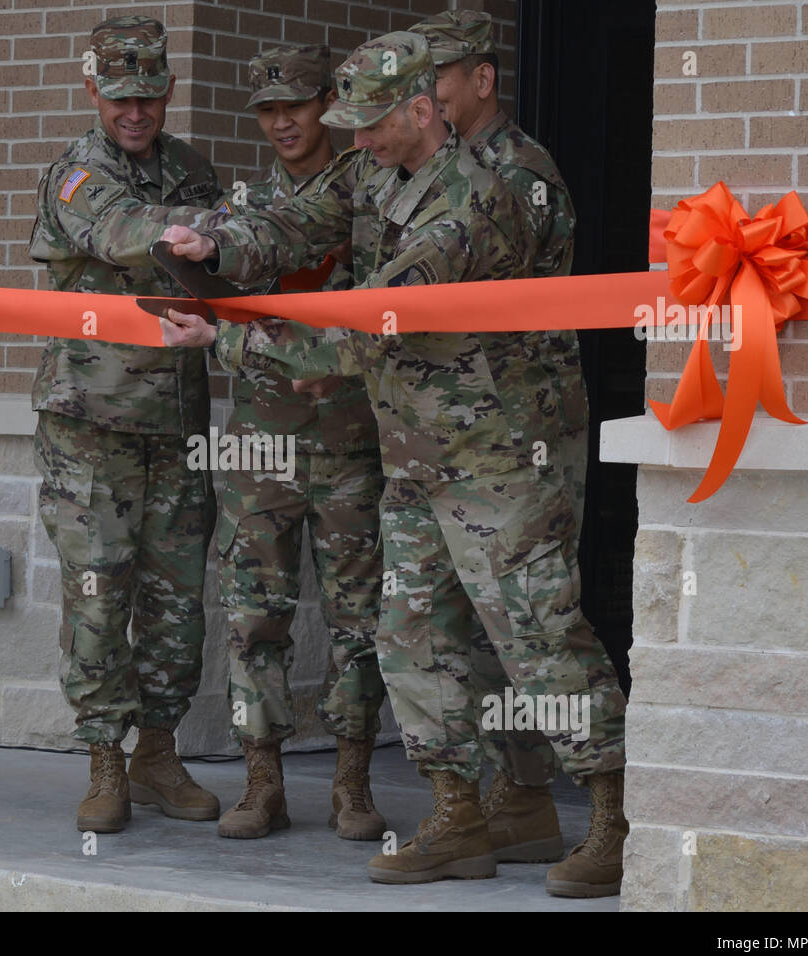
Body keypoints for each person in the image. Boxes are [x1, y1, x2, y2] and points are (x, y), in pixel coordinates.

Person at [157, 31, 630, 898]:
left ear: (424, 110)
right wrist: (212, 248)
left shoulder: (474, 205)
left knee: (536, 636)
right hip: (413, 451)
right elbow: (301, 217)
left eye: (373, 123)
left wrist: (224, 336)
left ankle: (612, 816)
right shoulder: (381, 173)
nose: (360, 140)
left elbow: (368, 329)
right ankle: (457, 816)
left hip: (498, 458)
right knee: (414, 637)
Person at [27, 14, 224, 834]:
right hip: (92, 421)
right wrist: (200, 233)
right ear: (92, 92)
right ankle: (105, 757)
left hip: (176, 420)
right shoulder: (77, 173)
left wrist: (215, 231)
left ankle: (156, 752)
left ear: (168, 90)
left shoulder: (190, 167)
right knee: (100, 595)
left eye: (148, 95)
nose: (134, 111)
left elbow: (224, 262)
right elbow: (121, 234)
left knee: (177, 600)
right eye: (119, 97)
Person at [409, 8, 588, 868]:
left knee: (533, 626)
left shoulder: (517, 174)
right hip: (450, 437)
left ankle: (605, 817)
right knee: (462, 631)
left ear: (481, 79)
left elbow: (441, 273)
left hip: (521, 434)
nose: (425, 95)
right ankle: (511, 803)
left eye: (437, 77)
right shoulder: (431, 170)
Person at [212, 43, 388, 842]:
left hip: (349, 436)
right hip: (260, 440)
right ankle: (262, 781)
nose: (284, 122)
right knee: (254, 613)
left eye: (298, 105)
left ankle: (351, 783)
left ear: (329, 104)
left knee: (359, 615)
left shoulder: (368, 192)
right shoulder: (240, 211)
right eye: (269, 110)